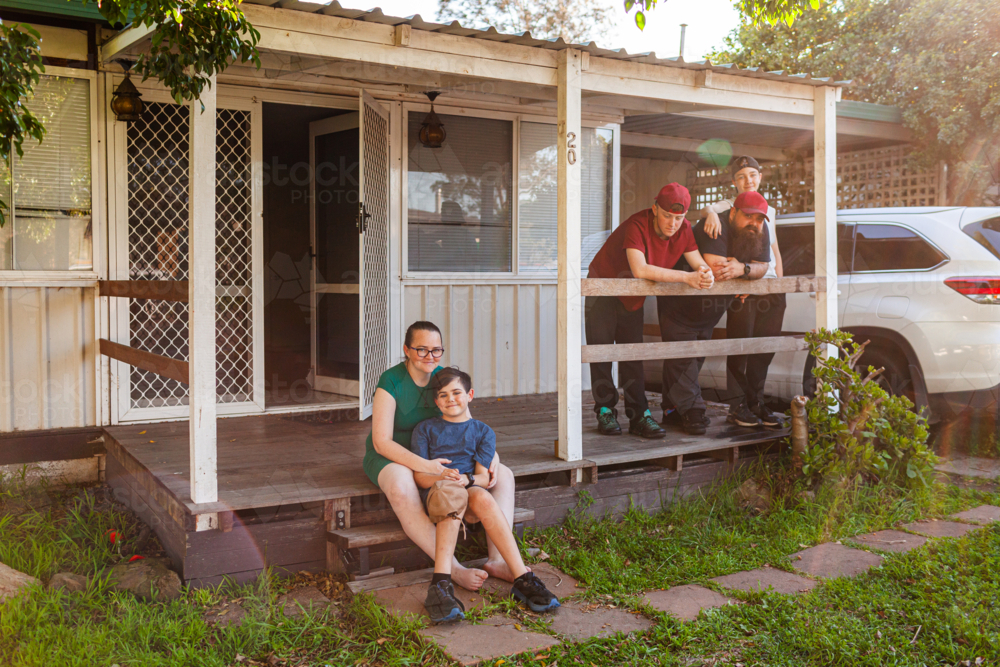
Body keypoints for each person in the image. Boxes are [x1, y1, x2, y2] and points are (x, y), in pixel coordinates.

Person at [363, 321, 518, 592]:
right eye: (421, 350)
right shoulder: (391, 381)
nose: (430, 357)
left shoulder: (442, 378)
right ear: (406, 350)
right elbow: (381, 441)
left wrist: (491, 454)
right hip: (394, 456)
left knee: (502, 473)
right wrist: (423, 466)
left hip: (437, 456)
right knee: (401, 484)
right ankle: (452, 568)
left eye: (436, 350)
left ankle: (498, 559)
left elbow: (467, 421)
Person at [413, 367, 560, 623]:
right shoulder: (425, 429)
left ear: (470, 395)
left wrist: (467, 479)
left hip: (469, 493)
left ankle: (522, 578)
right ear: (436, 402)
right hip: (439, 494)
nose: (451, 399)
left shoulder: (482, 431)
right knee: (452, 494)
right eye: (443, 395)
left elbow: (484, 477)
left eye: (456, 392)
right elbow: (420, 477)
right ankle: (441, 583)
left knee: (480, 495)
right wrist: (444, 476)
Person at [586, 183, 714, 438]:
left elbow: (698, 262)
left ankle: (639, 416)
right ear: (655, 209)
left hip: (632, 297)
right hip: (603, 288)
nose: (673, 223)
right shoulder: (637, 225)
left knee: (633, 355)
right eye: (667, 215)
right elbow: (640, 270)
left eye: (678, 218)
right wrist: (687, 278)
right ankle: (605, 410)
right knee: (601, 352)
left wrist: (706, 273)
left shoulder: (684, 229)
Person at [657, 191, 773, 435]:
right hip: (678, 307)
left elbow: (763, 267)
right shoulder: (714, 224)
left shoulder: (759, 230)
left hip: (710, 312)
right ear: (733, 213)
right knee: (684, 358)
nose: (755, 223)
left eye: (760, 219)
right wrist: (743, 273)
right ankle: (694, 411)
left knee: (690, 361)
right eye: (749, 217)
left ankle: (671, 411)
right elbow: (717, 268)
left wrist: (743, 267)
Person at [699, 156, 786, 428]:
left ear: (760, 176)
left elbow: (774, 250)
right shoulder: (728, 206)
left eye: (753, 174)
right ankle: (737, 405)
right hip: (745, 289)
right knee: (741, 347)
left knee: (765, 347)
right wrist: (711, 213)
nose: (748, 180)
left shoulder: (769, 210)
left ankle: (756, 402)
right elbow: (705, 210)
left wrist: (779, 283)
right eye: (741, 176)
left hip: (769, 286)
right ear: (734, 182)